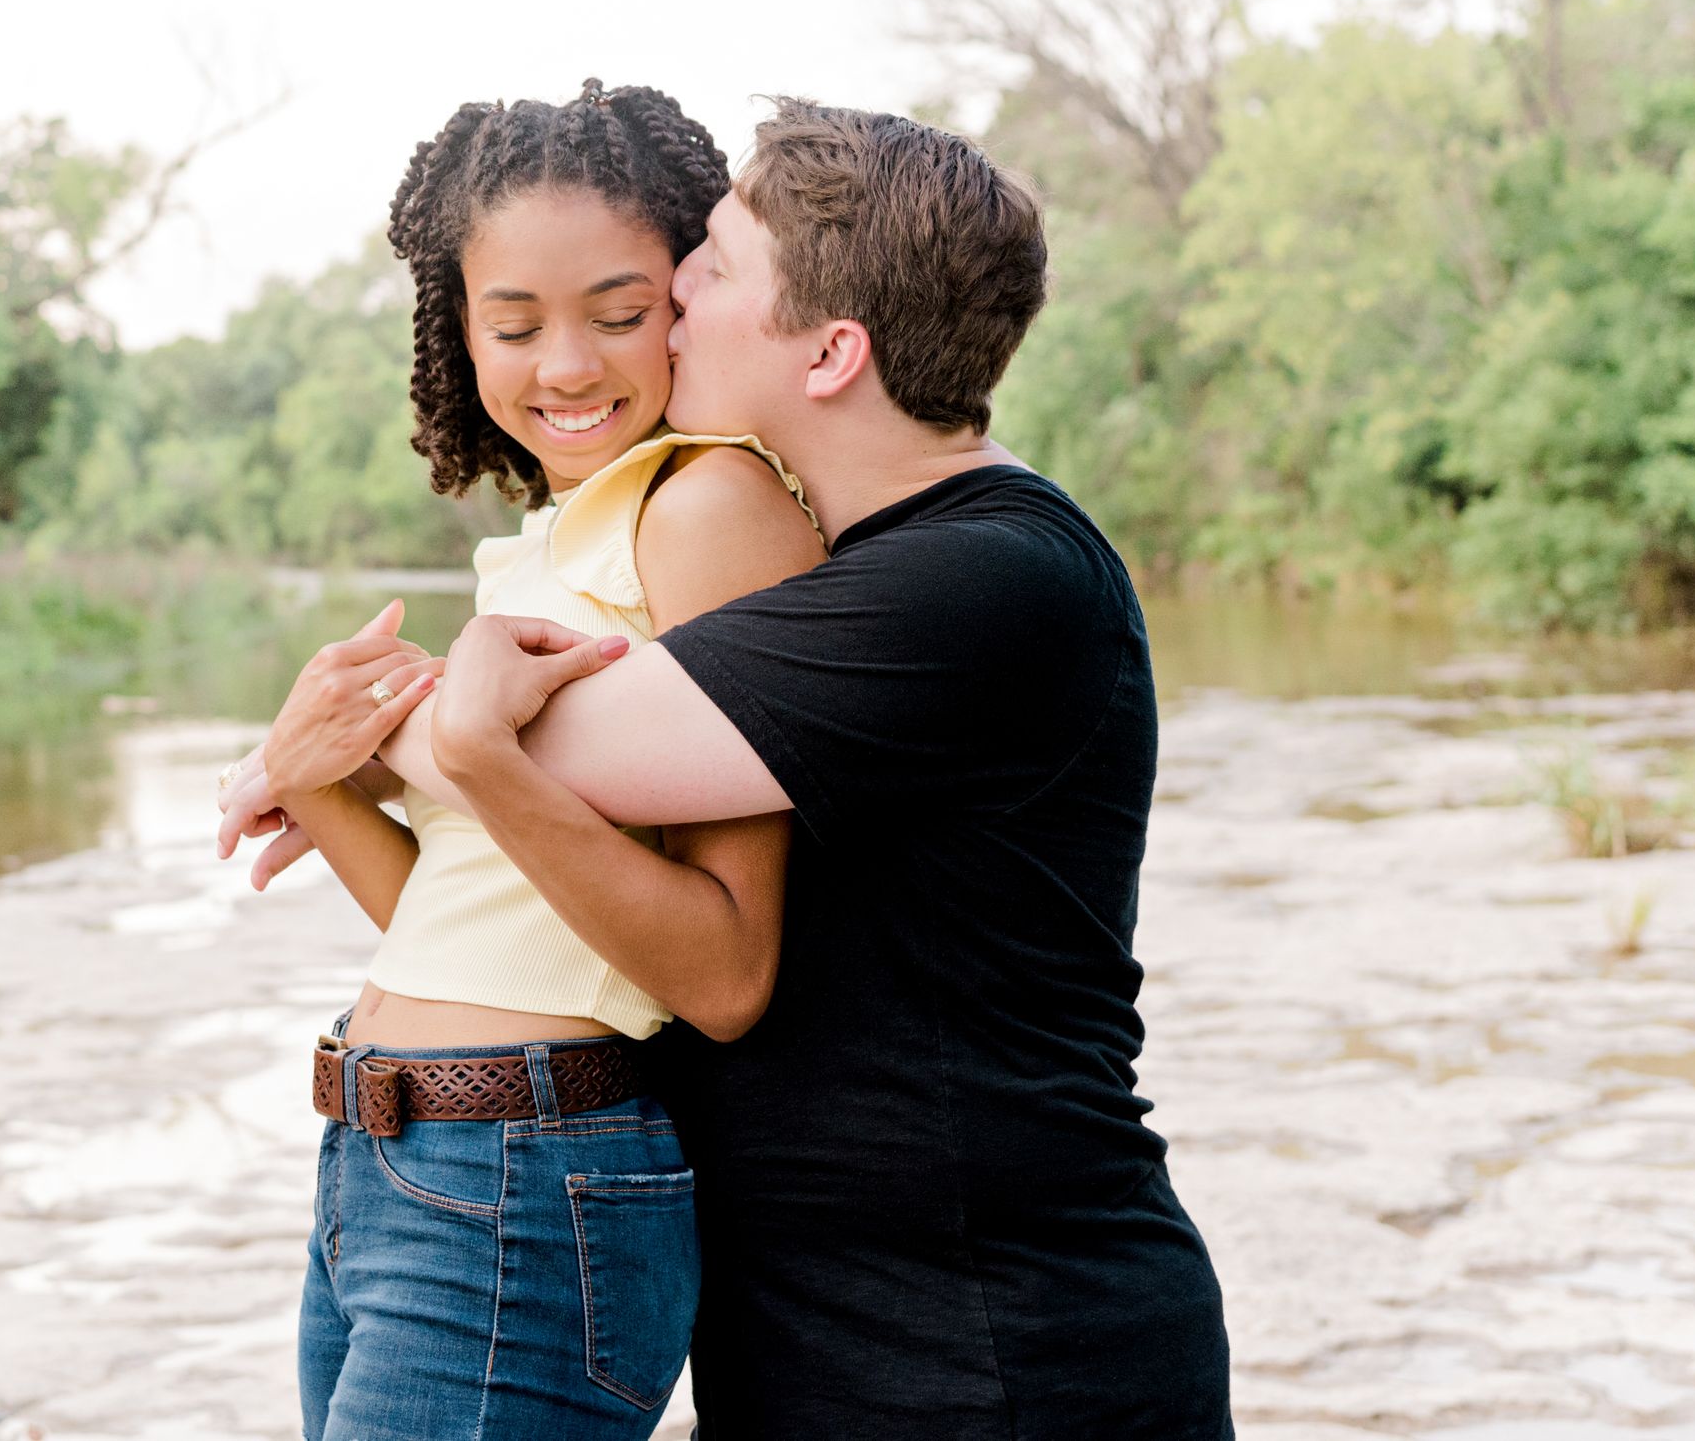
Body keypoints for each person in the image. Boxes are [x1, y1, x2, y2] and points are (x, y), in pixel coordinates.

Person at [227, 98, 1234, 1439]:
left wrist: (345, 731)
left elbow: (552, 757)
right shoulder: (868, 560)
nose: (680, 292)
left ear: (830, 351)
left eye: (709, 265)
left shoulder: (984, 579)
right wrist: (352, 746)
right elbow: (513, 866)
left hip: (997, 1348)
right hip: (815, 1327)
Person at [236, 79, 825, 1441]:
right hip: (390, 1163)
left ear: (691, 292)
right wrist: (318, 773)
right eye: (513, 323)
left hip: (525, 1175)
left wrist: (468, 755)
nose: (565, 363)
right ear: (459, 330)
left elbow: (728, 973)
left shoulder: (707, 508)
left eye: (620, 315)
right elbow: (488, 928)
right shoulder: (552, 539)